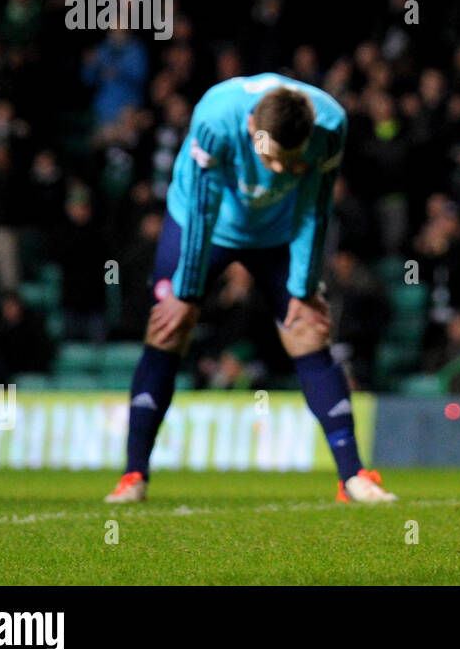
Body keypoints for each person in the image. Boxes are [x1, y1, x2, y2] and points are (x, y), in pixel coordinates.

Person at [104, 73, 396, 504]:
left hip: (276, 233)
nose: (278, 171)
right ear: (249, 128)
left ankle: (353, 477)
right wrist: (185, 294)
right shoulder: (215, 117)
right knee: (168, 327)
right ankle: (134, 476)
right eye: (271, 158)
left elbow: (315, 206)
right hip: (203, 224)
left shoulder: (330, 124)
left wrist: (303, 286)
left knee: (308, 328)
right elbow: (204, 208)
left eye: (288, 161)